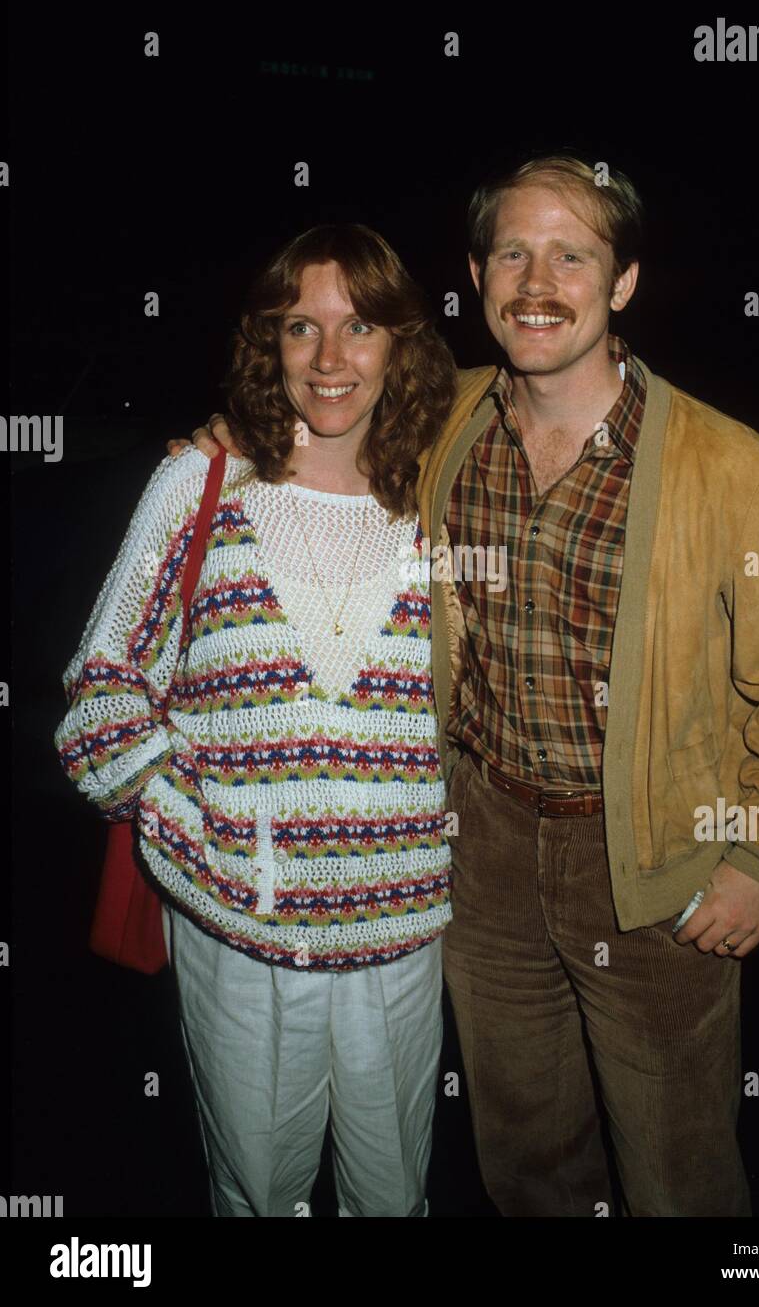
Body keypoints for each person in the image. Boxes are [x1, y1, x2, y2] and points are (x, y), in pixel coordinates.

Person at [177, 154, 759, 1218]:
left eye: (572, 255)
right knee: (528, 1162)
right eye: (512, 253)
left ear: (623, 281)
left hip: (651, 869)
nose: (538, 281)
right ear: (478, 274)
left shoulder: (729, 468)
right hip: (479, 856)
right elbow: (314, 417)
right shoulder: (438, 424)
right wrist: (225, 446)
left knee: (679, 1176)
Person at [54, 223, 459, 1217]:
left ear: (401, 342)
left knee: (392, 1195)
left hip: (401, 929)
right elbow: (101, 688)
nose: (329, 359)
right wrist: (189, 828)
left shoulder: (449, 503)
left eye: (360, 326)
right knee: (254, 1192)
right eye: (298, 327)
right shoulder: (198, 488)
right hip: (234, 921)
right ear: (265, 344)